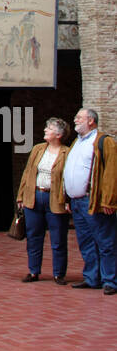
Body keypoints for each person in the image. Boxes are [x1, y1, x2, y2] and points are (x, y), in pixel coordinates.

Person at [63, 108, 117, 293]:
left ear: (91, 121)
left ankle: (110, 280)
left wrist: (109, 201)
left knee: (105, 242)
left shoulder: (103, 141)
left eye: (79, 117)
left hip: (93, 201)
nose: (75, 120)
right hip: (77, 202)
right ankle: (92, 277)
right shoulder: (76, 143)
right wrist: (67, 197)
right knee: (86, 242)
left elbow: (111, 173)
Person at [16, 117, 71, 283]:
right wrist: (21, 195)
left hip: (54, 197)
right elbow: (28, 172)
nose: (45, 130)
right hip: (34, 197)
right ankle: (33, 271)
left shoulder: (66, 153)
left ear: (59, 134)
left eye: (49, 128)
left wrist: (68, 199)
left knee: (58, 237)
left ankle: (59, 273)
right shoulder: (38, 149)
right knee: (33, 235)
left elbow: (68, 177)